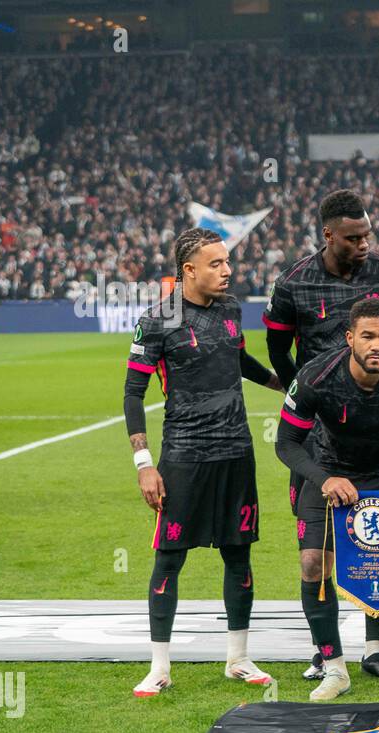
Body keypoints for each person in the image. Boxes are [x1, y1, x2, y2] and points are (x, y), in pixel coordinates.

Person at [124, 228, 281, 697]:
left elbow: (241, 360)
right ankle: (159, 665)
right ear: (188, 270)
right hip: (184, 456)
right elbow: (133, 394)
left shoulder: (233, 310)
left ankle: (238, 657)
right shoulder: (157, 320)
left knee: (239, 554)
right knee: (169, 558)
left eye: (227, 262)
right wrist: (144, 463)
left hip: (236, 452)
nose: (228, 271)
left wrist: (282, 386)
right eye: (216, 264)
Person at [263, 189, 379, 682]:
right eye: (354, 237)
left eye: (368, 234)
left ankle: (374, 649)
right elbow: (278, 350)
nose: (365, 243)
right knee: (318, 551)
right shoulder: (294, 284)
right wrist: (302, 395)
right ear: (328, 235)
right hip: (316, 435)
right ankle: (323, 652)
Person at [274, 297, 379, 702]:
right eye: (368, 336)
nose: (377, 345)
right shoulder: (316, 376)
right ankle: (333, 668)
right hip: (331, 469)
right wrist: (325, 477)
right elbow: (286, 443)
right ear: (350, 337)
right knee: (314, 562)